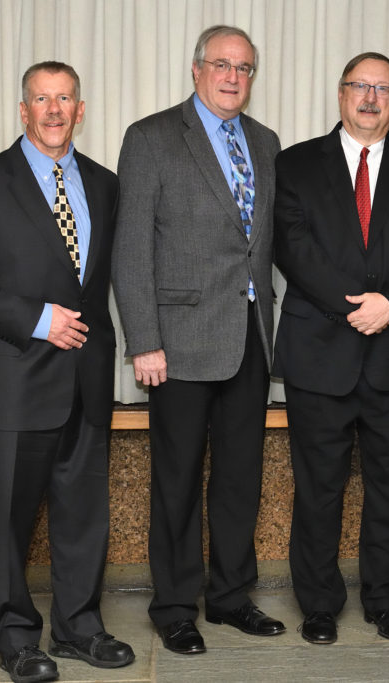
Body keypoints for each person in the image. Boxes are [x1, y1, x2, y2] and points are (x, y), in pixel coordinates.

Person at [0, 61, 133, 683]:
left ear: (80, 108)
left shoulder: (104, 184)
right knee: (12, 522)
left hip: (87, 383)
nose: (53, 110)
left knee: (82, 516)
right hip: (15, 382)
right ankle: (16, 638)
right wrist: (37, 318)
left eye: (64, 98)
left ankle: (78, 627)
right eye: (41, 99)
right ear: (23, 111)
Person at [111, 25, 284, 655]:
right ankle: (176, 605)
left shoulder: (265, 143)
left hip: (248, 339)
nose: (233, 76)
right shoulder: (153, 138)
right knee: (178, 480)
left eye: (244, 67)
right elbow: (131, 249)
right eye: (221, 64)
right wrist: (144, 341)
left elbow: (259, 246)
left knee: (240, 478)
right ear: (196, 70)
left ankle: (232, 596)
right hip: (177, 343)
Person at [273, 52, 389, 645]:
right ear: (341, 93)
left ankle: (384, 600)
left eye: (384, 88)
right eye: (361, 86)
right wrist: (355, 306)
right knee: (318, 488)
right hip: (318, 354)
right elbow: (290, 245)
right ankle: (319, 604)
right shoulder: (296, 163)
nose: (371, 98)